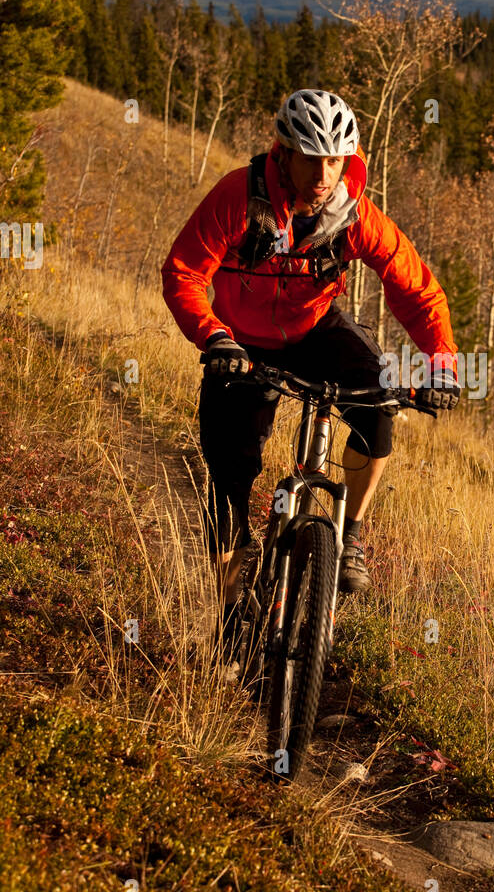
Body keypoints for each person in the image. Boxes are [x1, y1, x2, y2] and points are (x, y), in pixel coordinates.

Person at [161, 87, 460, 619]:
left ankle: (351, 534)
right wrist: (212, 335)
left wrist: (441, 363)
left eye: (335, 160)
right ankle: (231, 618)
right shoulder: (239, 197)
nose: (324, 175)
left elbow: (415, 289)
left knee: (379, 405)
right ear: (284, 153)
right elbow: (184, 272)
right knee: (229, 479)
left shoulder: (354, 213)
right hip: (240, 344)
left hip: (317, 332)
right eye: (311, 159)